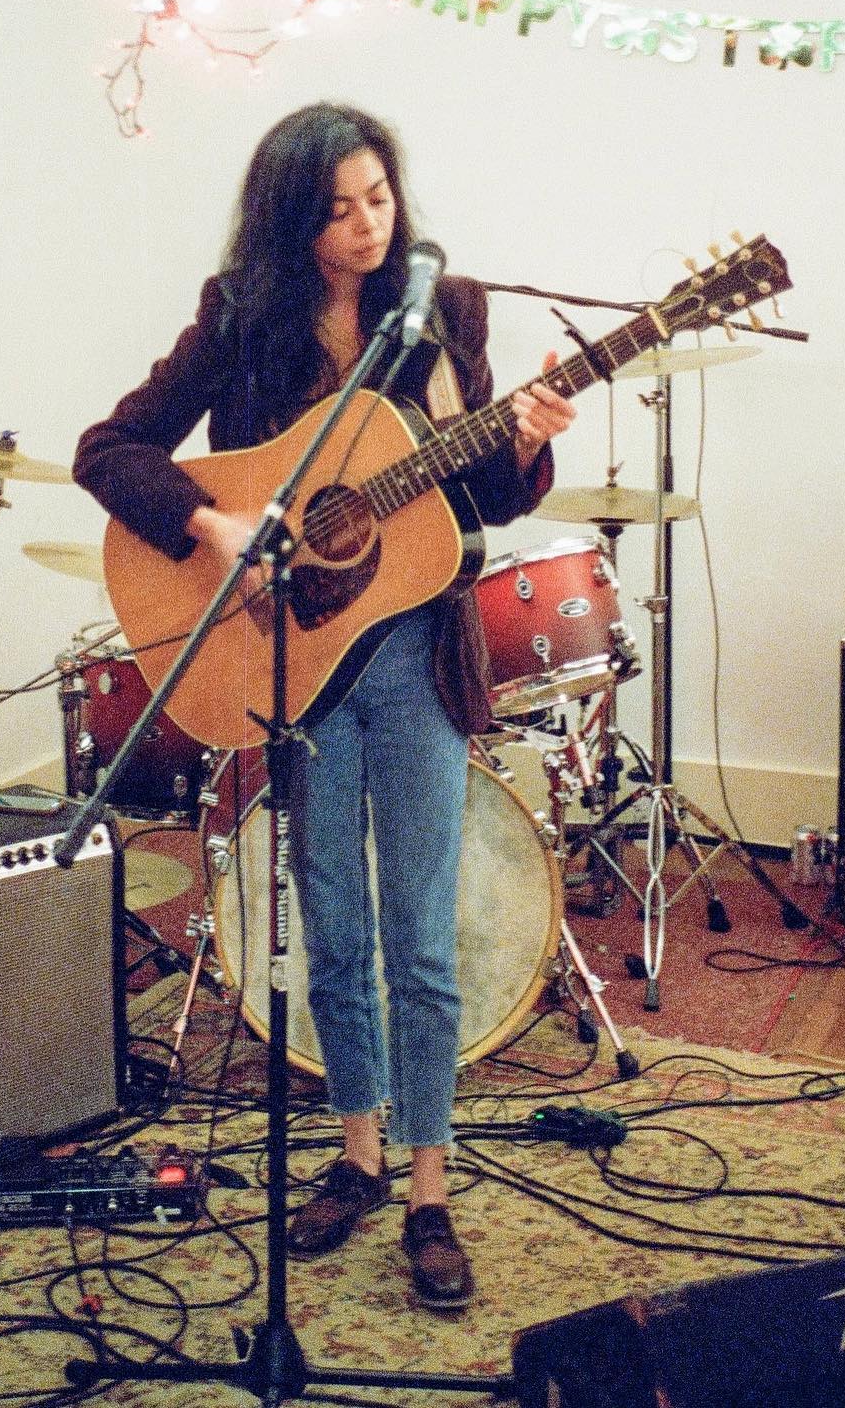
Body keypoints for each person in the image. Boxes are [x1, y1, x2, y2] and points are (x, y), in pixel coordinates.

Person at [73, 102, 575, 1308]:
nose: (366, 226)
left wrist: (530, 437)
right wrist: (213, 521)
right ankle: (354, 1153)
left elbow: (486, 500)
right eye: (339, 208)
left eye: (380, 199)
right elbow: (109, 447)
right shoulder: (238, 317)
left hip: (411, 661)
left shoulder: (445, 313)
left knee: (420, 933)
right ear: (292, 221)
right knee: (332, 931)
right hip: (288, 664)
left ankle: (430, 1188)